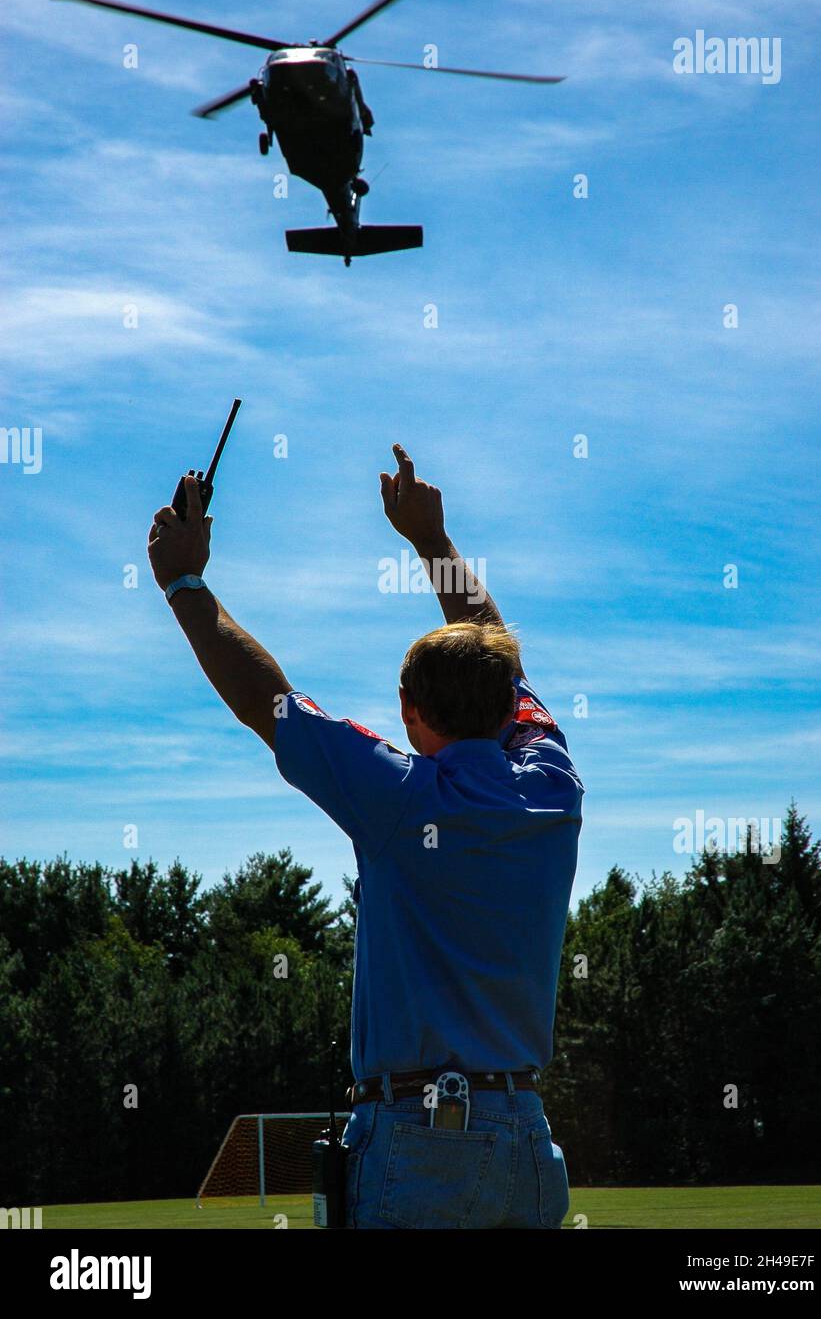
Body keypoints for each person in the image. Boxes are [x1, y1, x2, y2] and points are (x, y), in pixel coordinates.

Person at [147, 442, 584, 1229]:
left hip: (420, 1145)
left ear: (412, 712)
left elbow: (269, 702)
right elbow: (496, 650)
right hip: (528, 1143)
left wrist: (183, 582)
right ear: (506, 708)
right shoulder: (554, 786)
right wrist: (433, 544)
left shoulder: (400, 799)